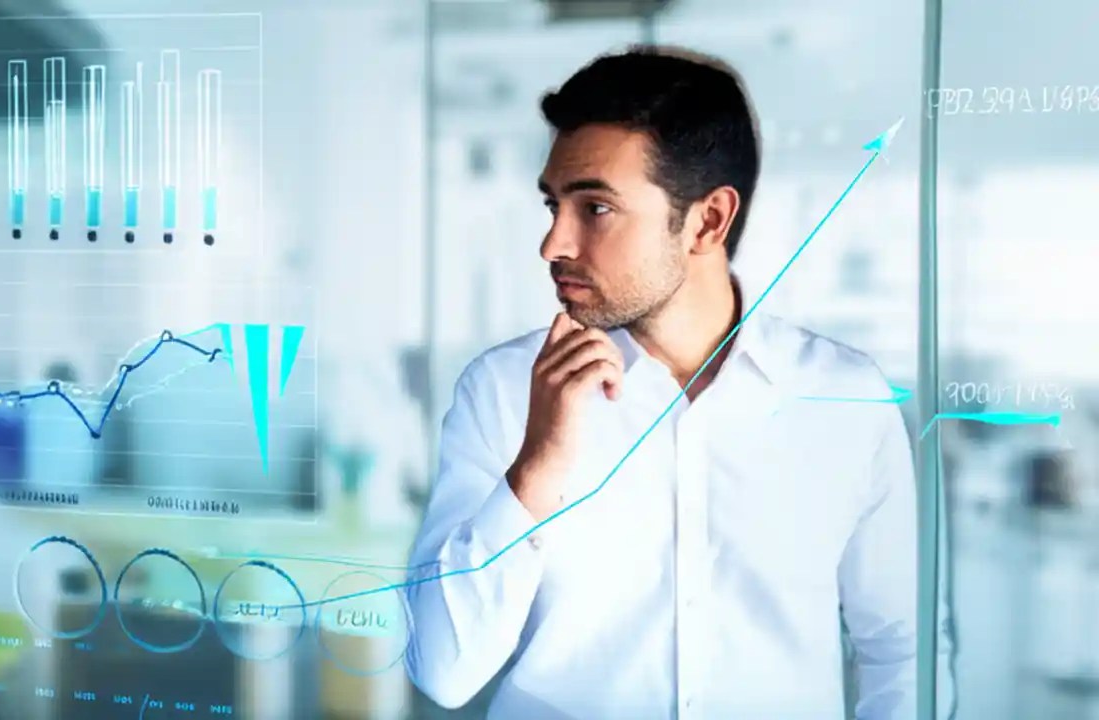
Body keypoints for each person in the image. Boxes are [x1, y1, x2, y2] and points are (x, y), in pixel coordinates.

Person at [405, 45, 952, 719]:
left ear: (708, 220)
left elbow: (904, 649)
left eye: (594, 208)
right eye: (553, 205)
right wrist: (538, 466)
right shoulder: (500, 390)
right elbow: (441, 671)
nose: (553, 243)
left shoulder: (848, 400)